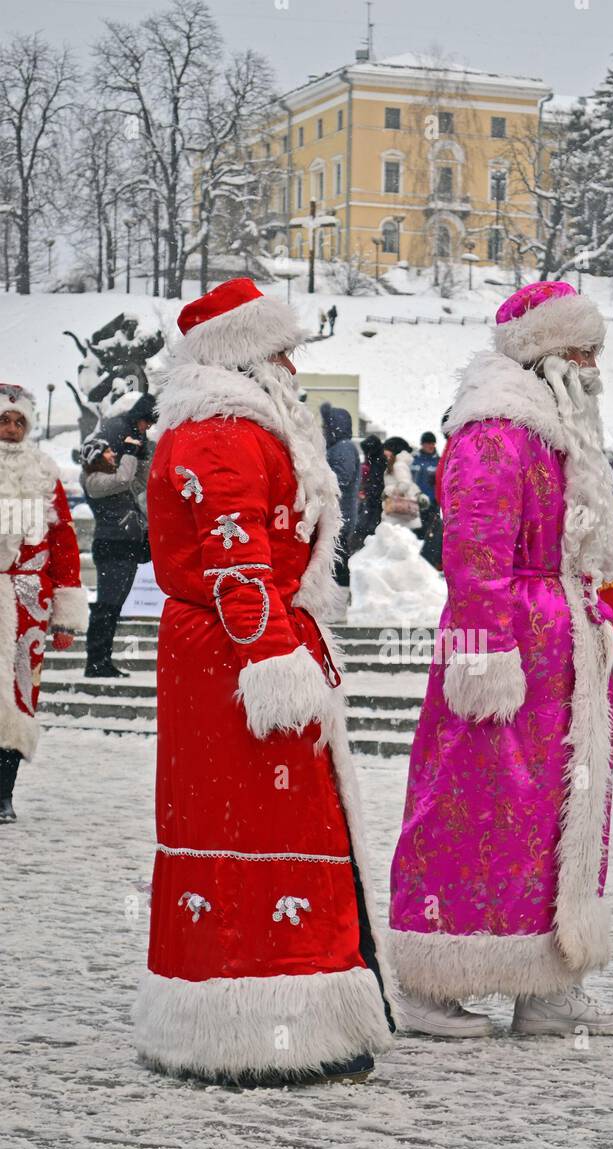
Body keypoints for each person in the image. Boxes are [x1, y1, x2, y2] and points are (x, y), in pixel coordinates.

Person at [133, 277, 395, 1084]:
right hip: (236, 657)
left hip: (244, 647)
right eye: (280, 347)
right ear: (245, 354)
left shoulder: (241, 421)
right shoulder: (221, 430)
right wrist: (273, 659)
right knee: (254, 824)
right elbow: (235, 558)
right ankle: (257, 1021)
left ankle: (297, 1009)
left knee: (285, 823)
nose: (291, 363)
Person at [389, 280, 613, 1039]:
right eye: (582, 350)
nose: (594, 365)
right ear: (546, 354)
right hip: (509, 642)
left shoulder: (552, 426)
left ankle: (549, 982)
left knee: (559, 809)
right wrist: (484, 655)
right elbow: (473, 555)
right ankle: (434, 980)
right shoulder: (496, 429)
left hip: (561, 642)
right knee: (473, 804)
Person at [0, 383, 89, 822]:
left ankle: (3, 792)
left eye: (20, 422)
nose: (12, 429)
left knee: (20, 696)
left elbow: (64, 544)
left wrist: (65, 616)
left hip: (27, 605)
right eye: (4, 420)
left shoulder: (43, 474)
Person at [80, 430, 150, 677]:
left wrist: (139, 456)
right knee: (106, 607)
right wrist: (129, 452)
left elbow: (138, 482)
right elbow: (123, 479)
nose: (113, 454)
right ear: (96, 456)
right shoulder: (92, 480)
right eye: (108, 451)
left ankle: (101, 661)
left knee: (113, 607)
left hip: (126, 548)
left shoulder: (112, 478)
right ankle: (97, 662)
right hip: (112, 548)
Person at [319, 402, 360, 596]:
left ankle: (339, 602)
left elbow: (340, 478)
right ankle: (337, 600)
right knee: (336, 559)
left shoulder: (343, 448)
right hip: (339, 515)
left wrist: (319, 475)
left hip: (340, 516)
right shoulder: (339, 447)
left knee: (338, 560)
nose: (323, 429)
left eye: (326, 425)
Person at [381, 436, 426, 530]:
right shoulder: (396, 464)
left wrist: (388, 491)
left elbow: (405, 484)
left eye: (387, 449)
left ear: (394, 451)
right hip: (398, 515)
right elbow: (410, 483)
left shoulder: (399, 465)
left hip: (398, 514)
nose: (384, 452)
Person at [355, 434, 387, 542]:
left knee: (370, 526)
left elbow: (378, 480)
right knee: (366, 524)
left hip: (376, 498)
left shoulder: (379, 460)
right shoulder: (372, 459)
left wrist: (370, 489)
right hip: (371, 497)